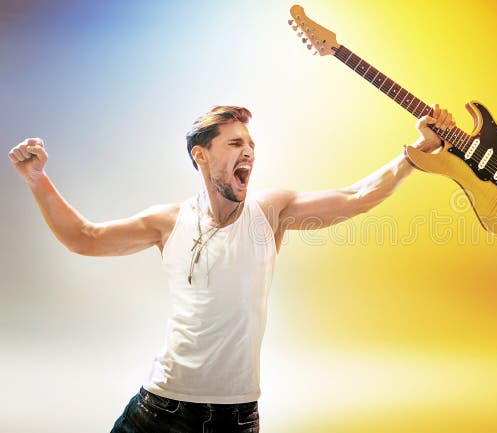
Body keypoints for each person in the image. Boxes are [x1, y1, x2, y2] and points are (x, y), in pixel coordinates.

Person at [7, 104, 455, 433]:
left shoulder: (271, 212)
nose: (249, 153)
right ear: (201, 155)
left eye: (252, 146)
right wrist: (37, 180)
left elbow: (357, 197)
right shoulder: (167, 222)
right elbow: (84, 238)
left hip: (235, 418)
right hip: (160, 409)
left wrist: (418, 152)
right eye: (235, 143)